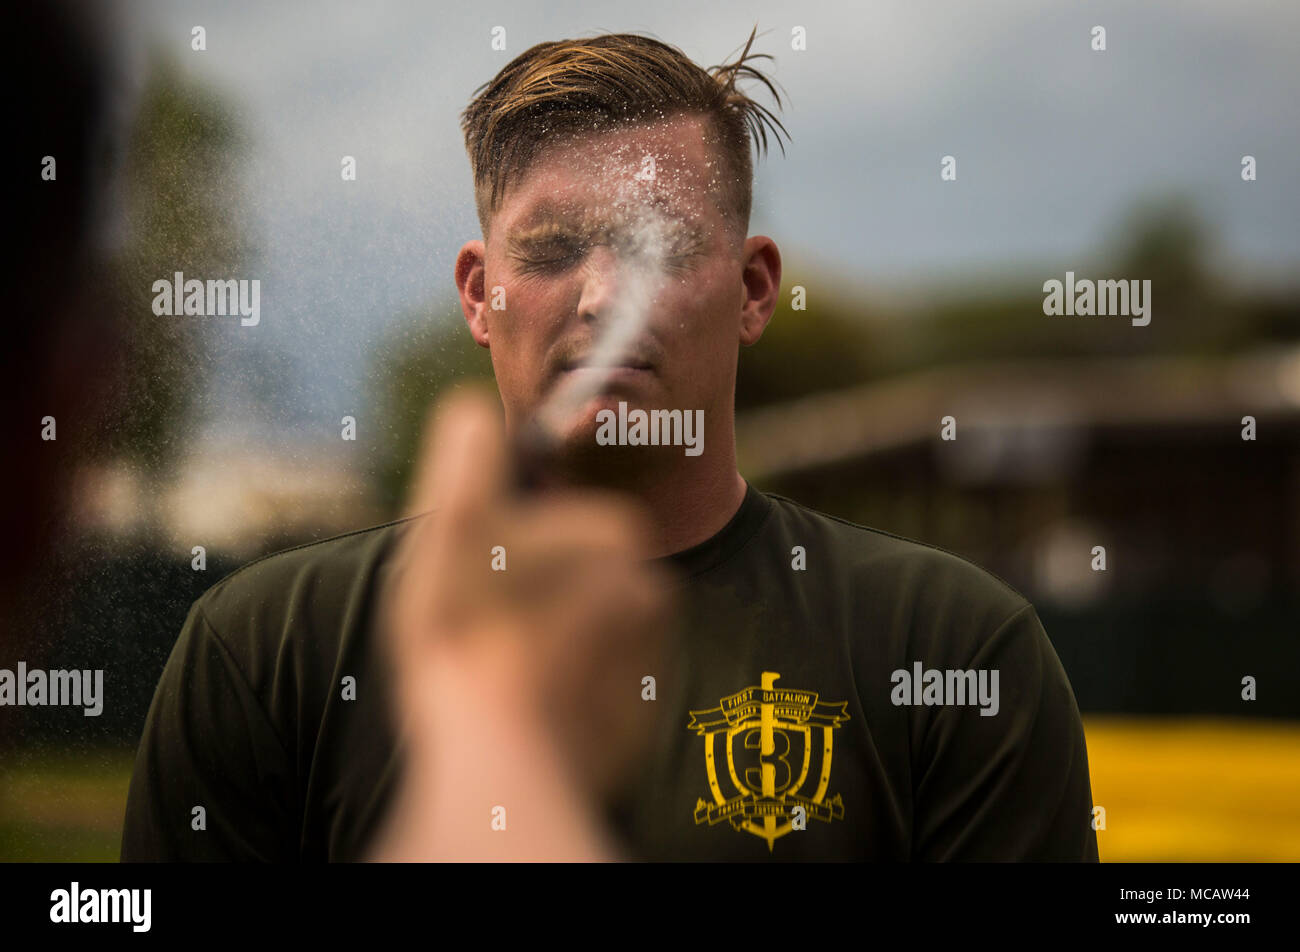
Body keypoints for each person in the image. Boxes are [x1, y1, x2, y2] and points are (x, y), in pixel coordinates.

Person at [121, 29, 1099, 862]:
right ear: (478, 293)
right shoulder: (264, 650)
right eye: (548, 251)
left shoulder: (956, 647)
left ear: (754, 288)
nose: (600, 299)